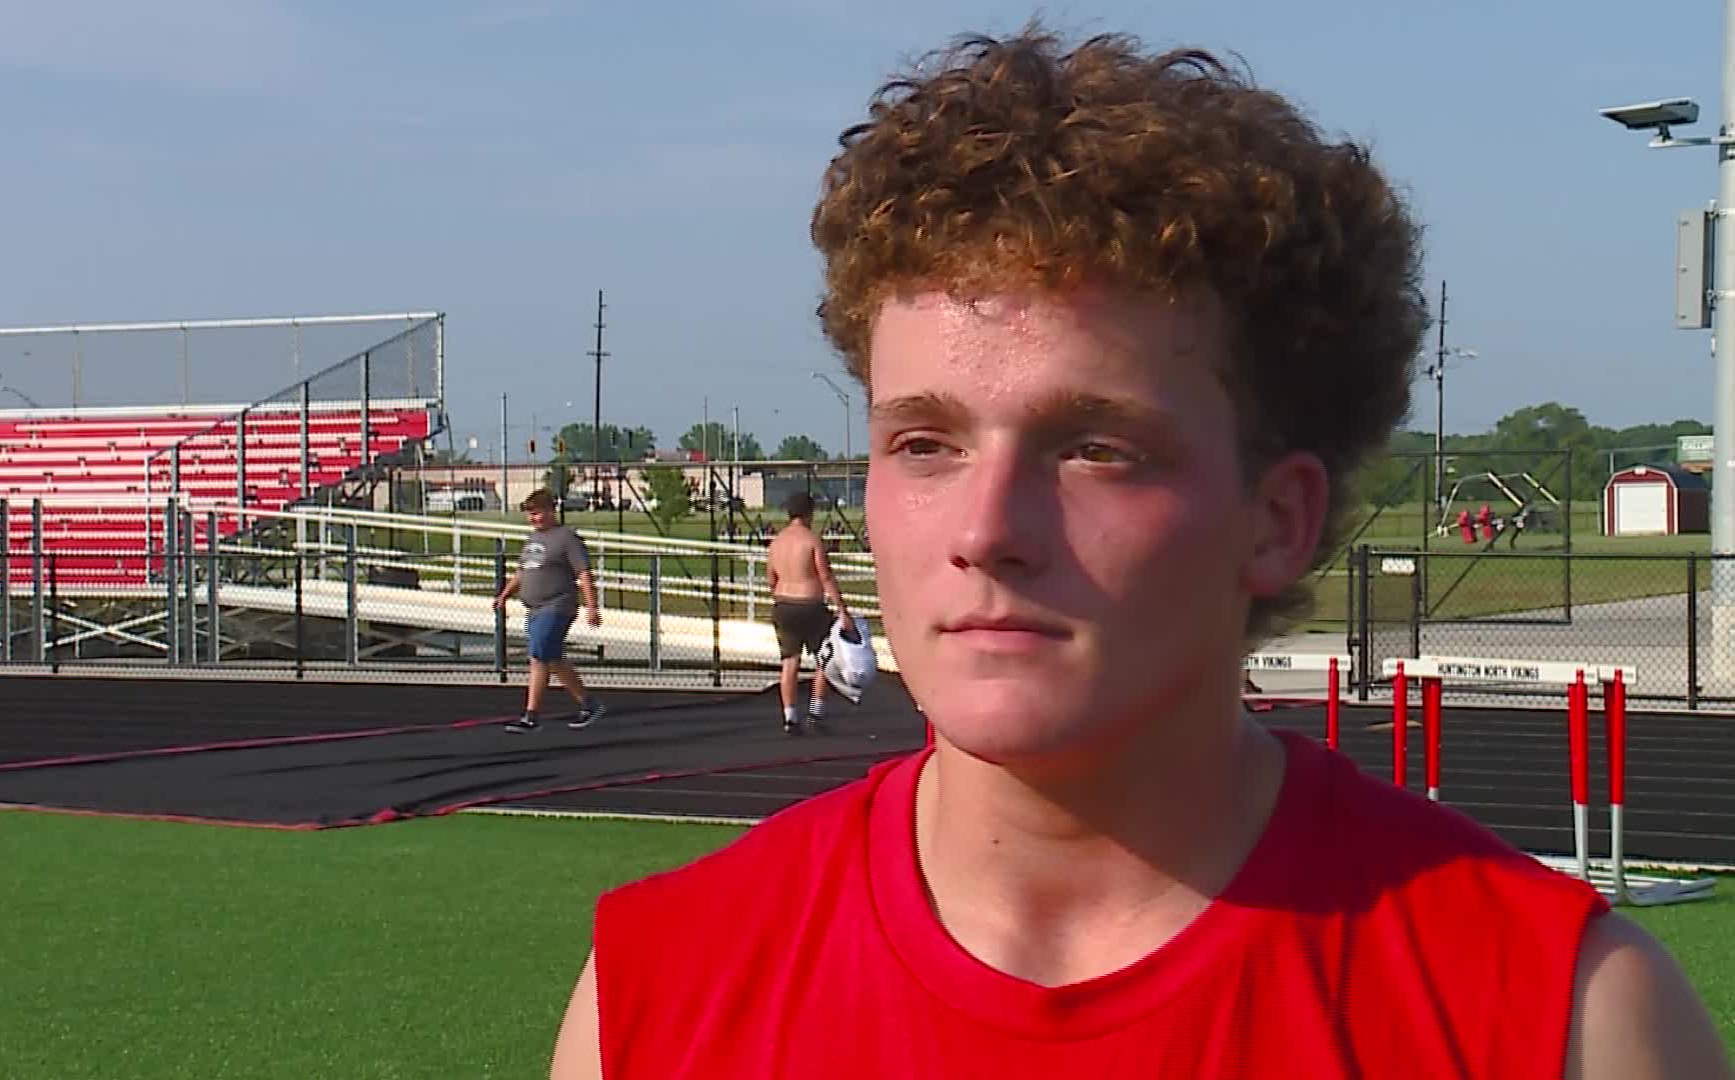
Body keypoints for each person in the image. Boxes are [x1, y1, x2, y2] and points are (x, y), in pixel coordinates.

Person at [550, 26, 1730, 1078]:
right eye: (925, 442)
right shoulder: (655, 997)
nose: (986, 528)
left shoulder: (1562, 1021)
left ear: (1279, 520)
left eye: (1095, 448)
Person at [494, 489, 604, 733]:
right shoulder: (533, 541)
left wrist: (592, 607)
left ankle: (532, 716)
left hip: (557, 605)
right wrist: (505, 593)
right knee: (549, 658)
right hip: (534, 608)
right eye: (530, 514)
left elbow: (584, 574)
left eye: (538, 513)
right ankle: (588, 703)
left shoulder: (567, 539)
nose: (534, 519)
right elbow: (522, 572)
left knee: (540, 655)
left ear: (551, 511)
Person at [764, 490, 852, 734]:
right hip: (810, 606)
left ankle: (790, 717)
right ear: (809, 513)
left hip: (783, 605)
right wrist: (842, 610)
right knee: (824, 660)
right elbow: (825, 576)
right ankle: (816, 712)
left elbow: (771, 578)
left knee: (789, 662)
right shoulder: (812, 540)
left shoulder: (776, 542)